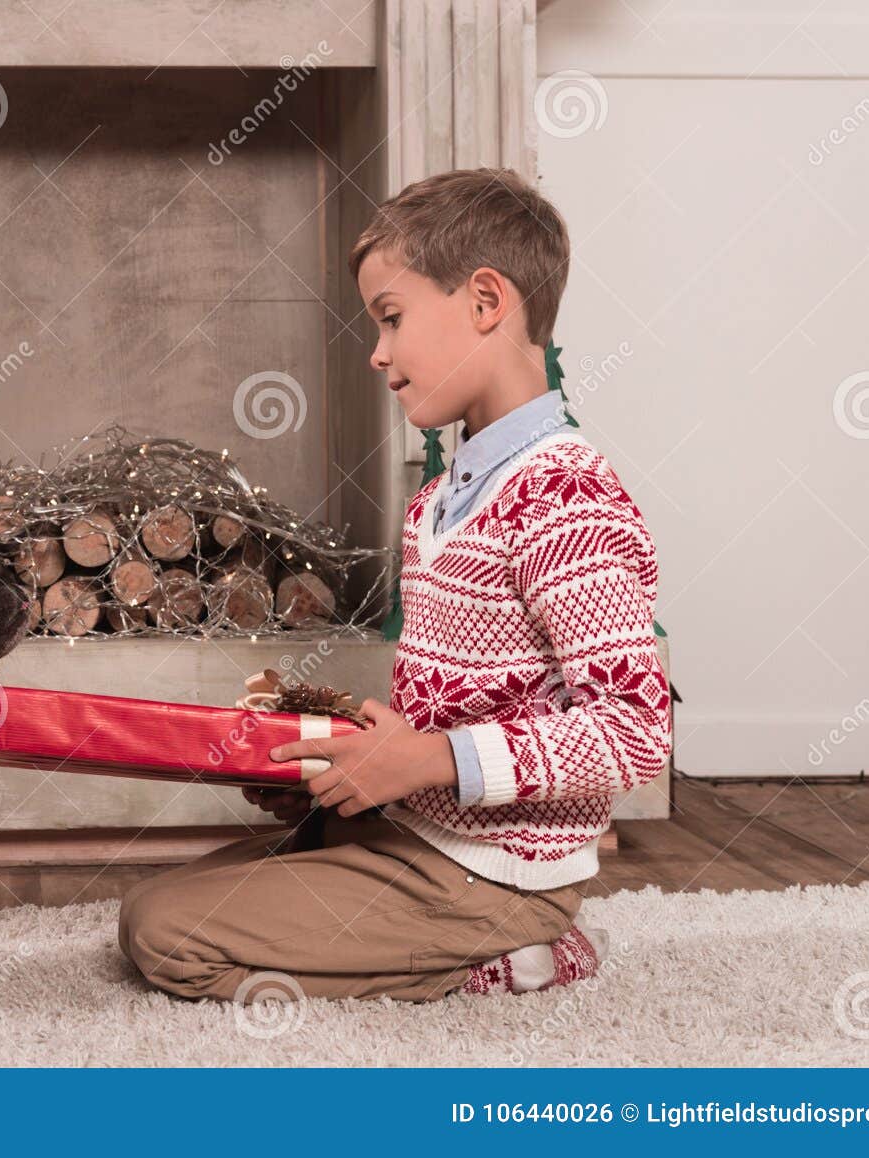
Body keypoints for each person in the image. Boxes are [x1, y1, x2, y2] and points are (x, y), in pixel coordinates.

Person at [117, 167, 672, 1003]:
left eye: (392, 318)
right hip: (416, 831)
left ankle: (513, 953)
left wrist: (427, 758)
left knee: (167, 938)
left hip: (494, 872)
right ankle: (391, 909)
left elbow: (634, 730)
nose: (377, 352)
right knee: (151, 907)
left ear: (486, 302)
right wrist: (346, 758)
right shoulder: (439, 502)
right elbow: (467, 703)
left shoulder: (568, 497)